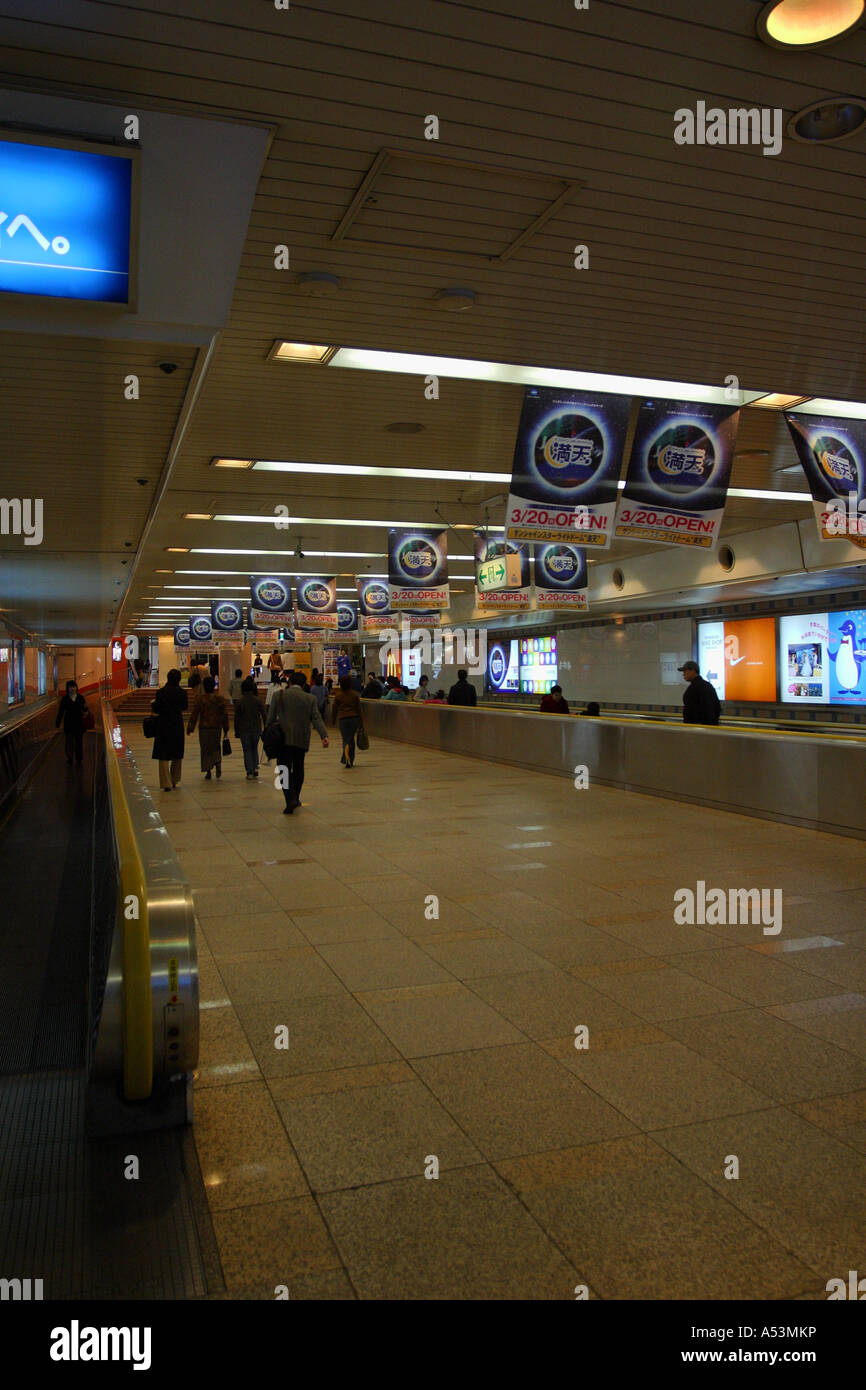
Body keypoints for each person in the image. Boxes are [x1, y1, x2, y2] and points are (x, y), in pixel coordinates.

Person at [266, 669, 329, 813]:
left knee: (284, 769)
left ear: (289, 681)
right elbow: (316, 718)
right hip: (301, 739)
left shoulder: (278, 696)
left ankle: (290, 798)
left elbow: (270, 719)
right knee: (298, 768)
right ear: (304, 684)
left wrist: (267, 734)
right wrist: (324, 735)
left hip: (282, 740)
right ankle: (296, 796)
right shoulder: (309, 698)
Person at [151, 668, 188, 790]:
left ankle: (165, 782)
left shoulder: (161, 693)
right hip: (177, 723)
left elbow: (156, 709)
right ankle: (175, 779)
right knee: (177, 753)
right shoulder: (182, 693)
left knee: (163, 754)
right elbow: (184, 707)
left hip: (163, 724)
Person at [186, 675, 230, 779]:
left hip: (204, 728)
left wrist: (190, 727)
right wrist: (226, 727)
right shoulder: (220, 699)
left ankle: (208, 770)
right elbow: (224, 714)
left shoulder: (201, 699)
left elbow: (195, 714)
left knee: (205, 749)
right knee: (216, 746)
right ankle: (217, 763)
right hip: (216, 727)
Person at [330, 673, 365, 768]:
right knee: (351, 739)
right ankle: (351, 758)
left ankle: (346, 758)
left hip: (343, 719)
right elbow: (359, 709)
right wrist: (361, 721)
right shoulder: (354, 695)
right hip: (353, 719)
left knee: (345, 739)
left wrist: (333, 719)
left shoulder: (338, 696)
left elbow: (334, 708)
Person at [234, 676, 265, 779]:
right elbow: (264, 714)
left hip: (244, 729)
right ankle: (255, 767)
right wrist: (266, 727)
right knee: (254, 748)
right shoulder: (257, 700)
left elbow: (237, 718)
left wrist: (236, 730)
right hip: (256, 728)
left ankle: (249, 772)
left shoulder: (240, 702)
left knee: (247, 750)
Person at [55, 679, 88, 766]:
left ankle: (79, 759)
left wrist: (86, 712)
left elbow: (85, 708)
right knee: (69, 743)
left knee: (79, 742)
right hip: (69, 724)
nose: (72, 689)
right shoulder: (65, 699)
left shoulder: (81, 698)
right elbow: (61, 711)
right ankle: (70, 759)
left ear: (76, 688)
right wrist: (58, 722)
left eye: (74, 687)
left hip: (79, 724)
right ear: (67, 688)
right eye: (70, 687)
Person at [679, 661, 721, 726]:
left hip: (697, 728)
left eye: (685, 671)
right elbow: (717, 708)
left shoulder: (694, 688)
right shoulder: (708, 685)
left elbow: (692, 710)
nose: (683, 674)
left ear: (693, 670)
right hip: (710, 727)